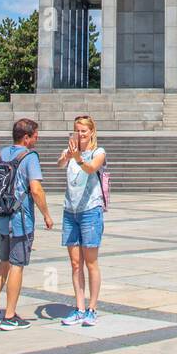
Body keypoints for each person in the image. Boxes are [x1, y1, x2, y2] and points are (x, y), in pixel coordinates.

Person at [0, 118, 53, 331]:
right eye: (35, 136)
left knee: (3, 261)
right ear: (26, 137)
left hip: (1, 217)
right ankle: (10, 315)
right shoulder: (29, 157)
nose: (37, 139)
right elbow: (36, 190)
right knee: (16, 265)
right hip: (20, 220)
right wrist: (47, 215)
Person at [58, 115, 107, 327]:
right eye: (77, 130)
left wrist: (77, 157)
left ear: (92, 132)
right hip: (71, 211)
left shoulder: (99, 152)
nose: (80, 134)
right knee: (75, 263)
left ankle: (92, 309)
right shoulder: (71, 151)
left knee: (91, 262)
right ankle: (79, 307)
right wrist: (67, 156)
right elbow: (59, 164)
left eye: (84, 131)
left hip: (90, 211)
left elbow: (90, 168)